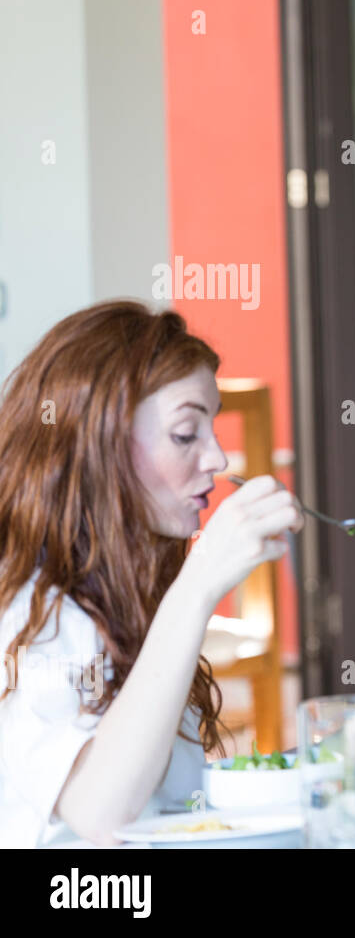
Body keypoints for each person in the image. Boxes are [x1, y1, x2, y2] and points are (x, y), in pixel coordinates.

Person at [0, 301, 303, 847]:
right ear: (97, 443)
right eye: (186, 434)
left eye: (212, 428)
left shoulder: (121, 591)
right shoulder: (26, 607)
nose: (216, 459)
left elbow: (165, 805)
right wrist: (199, 584)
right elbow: (101, 814)